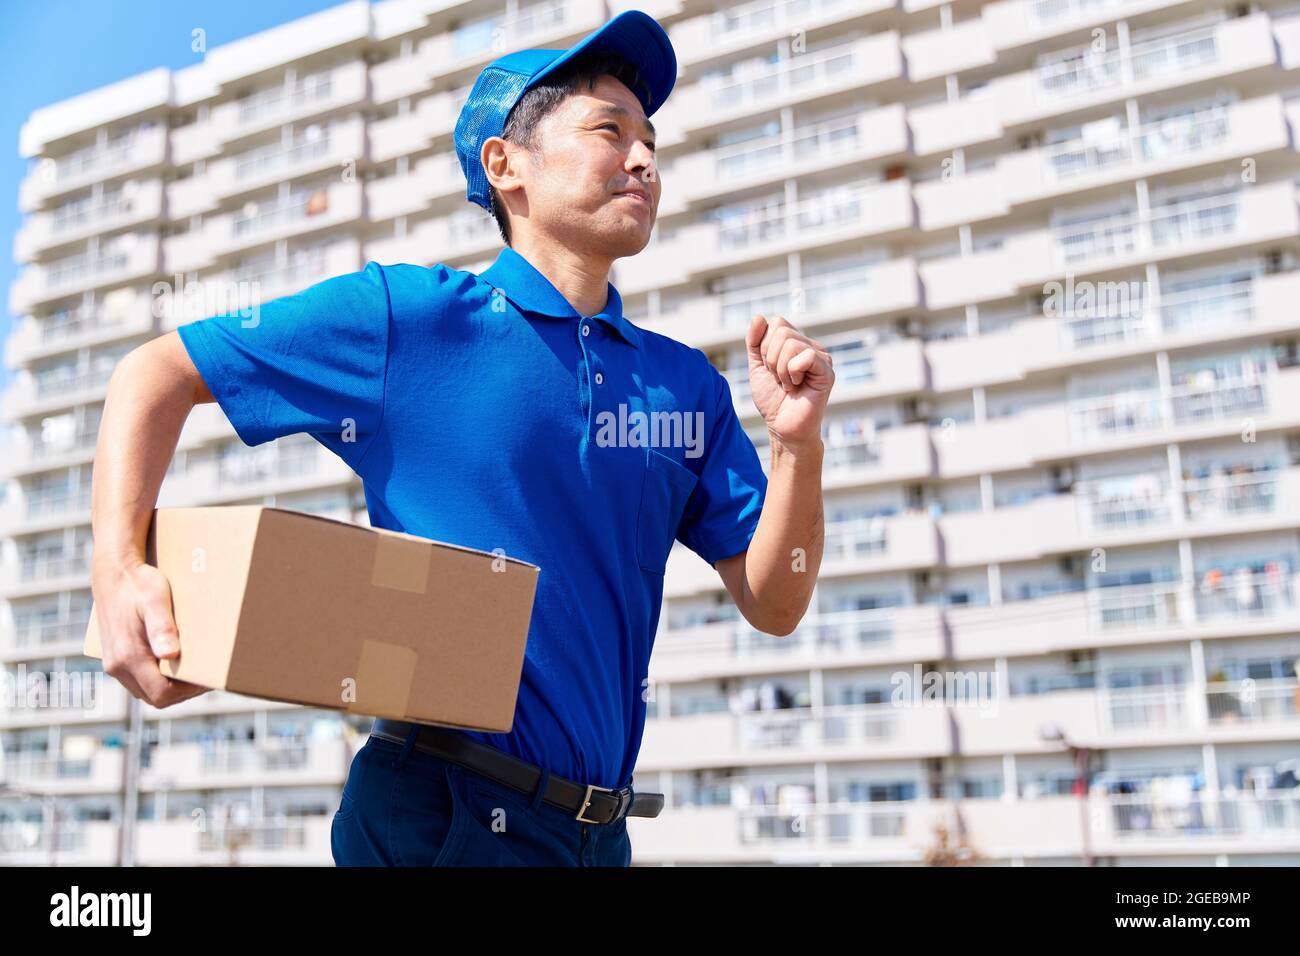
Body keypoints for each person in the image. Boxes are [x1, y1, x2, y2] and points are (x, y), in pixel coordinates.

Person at [89, 9, 834, 867]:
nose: (644, 160)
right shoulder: (412, 319)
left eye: (651, 141)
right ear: (504, 164)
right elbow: (154, 372)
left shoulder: (684, 385)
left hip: (602, 836)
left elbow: (775, 604)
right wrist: (118, 569)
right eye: (610, 129)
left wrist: (796, 448)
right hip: (440, 813)